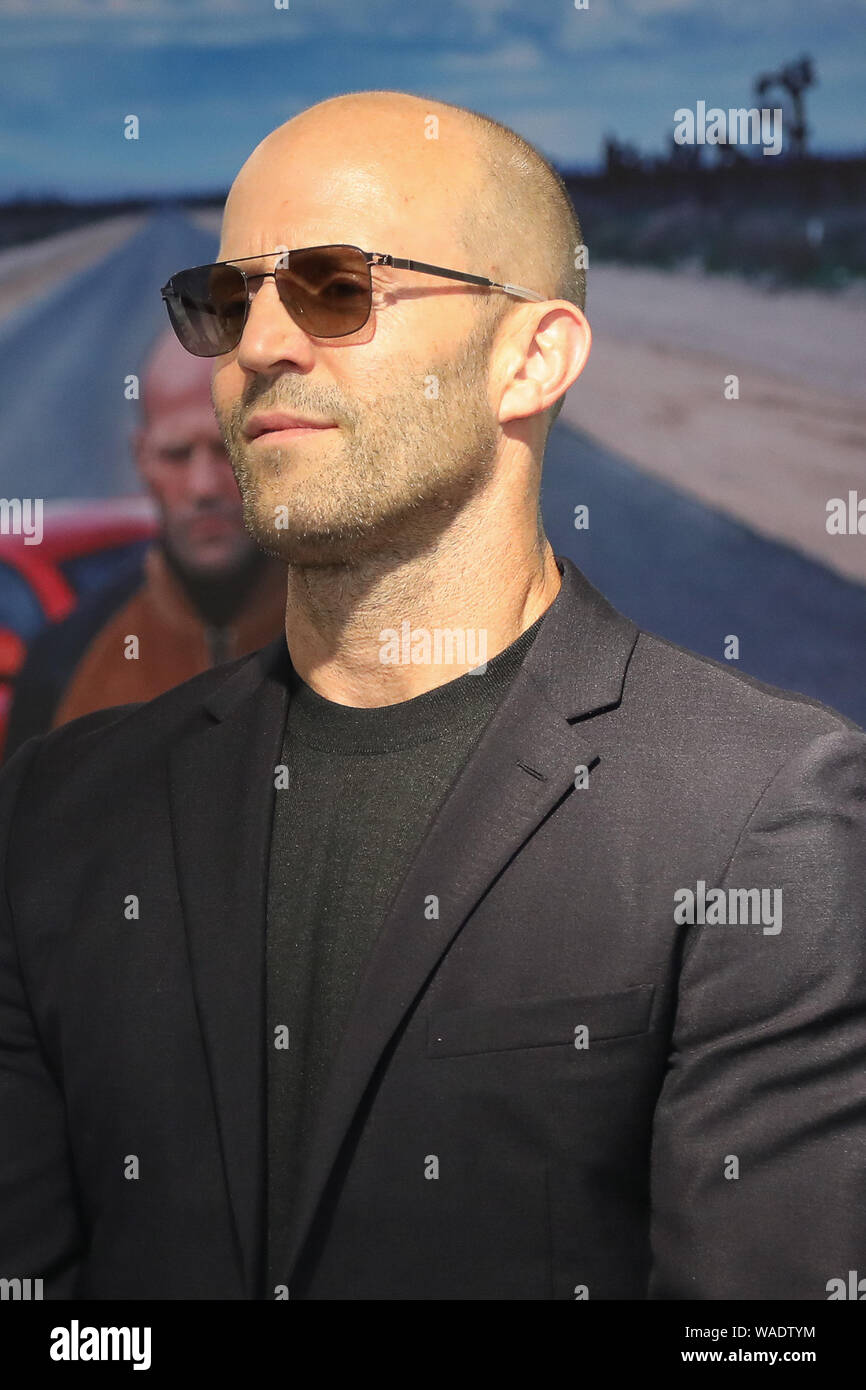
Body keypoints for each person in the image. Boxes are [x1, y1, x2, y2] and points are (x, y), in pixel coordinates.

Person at [0, 89, 864, 1302]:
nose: (257, 345)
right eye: (228, 297)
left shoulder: (760, 813)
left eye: (333, 286)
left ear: (531, 357)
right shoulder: (57, 808)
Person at [3, 329, 286, 756]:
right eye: (176, 454)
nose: (203, 486)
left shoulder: (344, 633)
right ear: (142, 459)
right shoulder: (66, 661)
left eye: (226, 448)